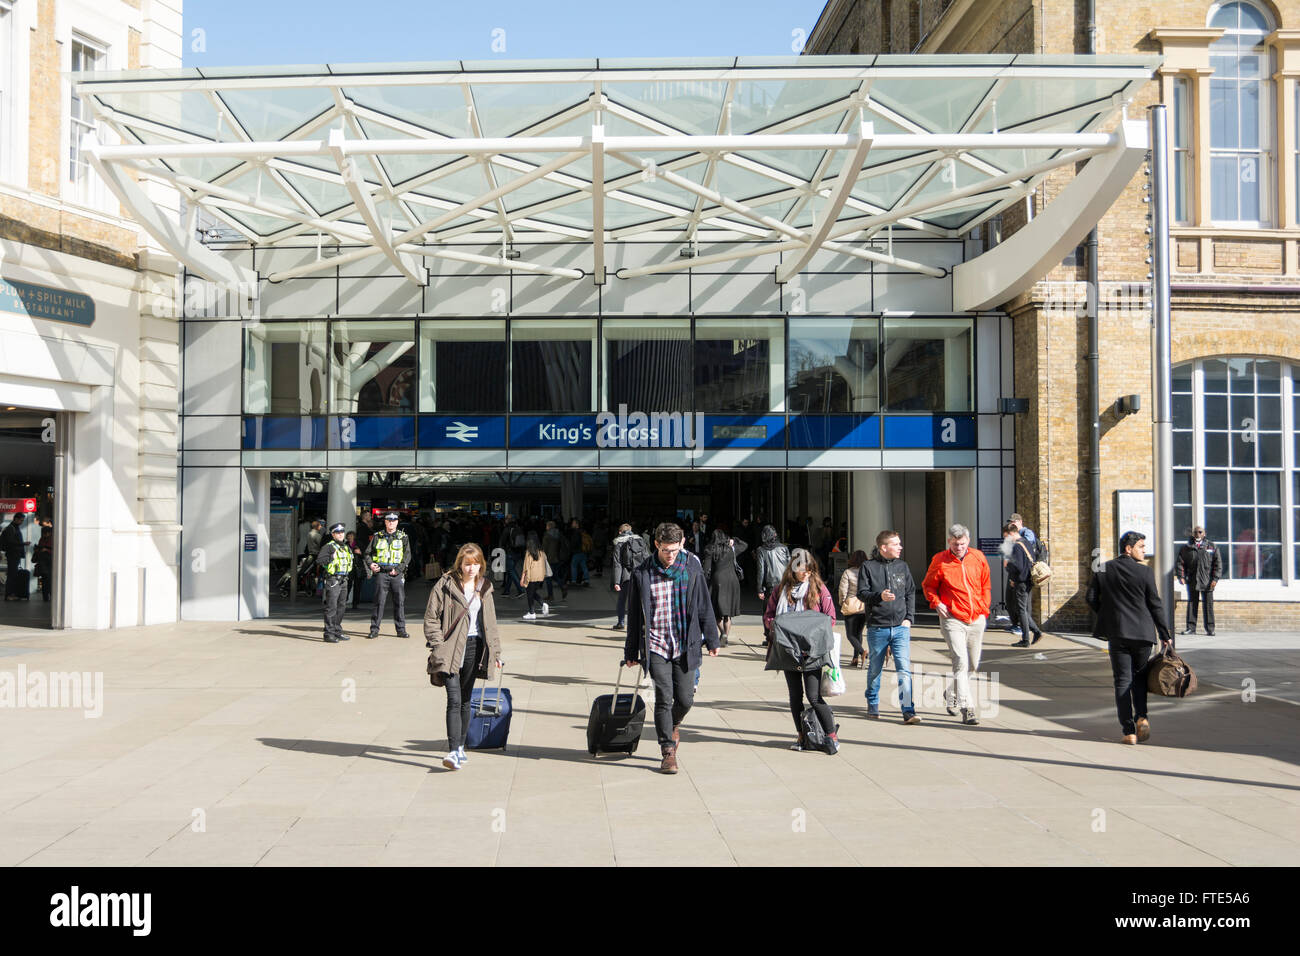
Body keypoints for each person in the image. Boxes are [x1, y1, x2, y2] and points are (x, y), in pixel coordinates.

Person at [623, 522, 720, 774]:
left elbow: (703, 606)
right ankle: (667, 751)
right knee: (664, 698)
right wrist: (631, 651)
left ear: (683, 543)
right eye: (666, 550)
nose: (670, 555)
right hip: (656, 645)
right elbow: (634, 614)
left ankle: (673, 723)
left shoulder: (692, 568)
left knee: (685, 699)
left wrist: (712, 638)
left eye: (675, 550)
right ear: (656, 544)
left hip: (685, 645)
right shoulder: (643, 573)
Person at [1086, 530, 1174, 745]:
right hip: (1143, 633)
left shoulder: (1104, 569)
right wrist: (1165, 634)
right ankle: (1142, 717)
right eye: (1141, 547)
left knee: (1122, 681)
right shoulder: (1145, 573)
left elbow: (1090, 598)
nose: (1145, 551)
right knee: (1140, 678)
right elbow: (1155, 605)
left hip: (1118, 633)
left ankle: (1128, 731)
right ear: (1128, 548)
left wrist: (1108, 614)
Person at [424, 543, 503, 771]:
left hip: (474, 647)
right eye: (468, 564)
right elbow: (431, 618)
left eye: (476, 564)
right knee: (454, 699)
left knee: (466, 699)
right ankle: (453, 749)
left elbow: (491, 623)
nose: (472, 568)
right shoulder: (445, 585)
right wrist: (439, 646)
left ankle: (460, 749)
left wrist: (495, 652)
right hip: (449, 649)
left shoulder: (485, 587)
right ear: (460, 563)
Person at [763, 548, 839, 753]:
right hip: (789, 651)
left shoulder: (819, 589)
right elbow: (769, 616)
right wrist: (776, 627)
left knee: (814, 697)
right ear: (793, 569)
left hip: (812, 652)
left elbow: (830, 618)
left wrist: (809, 631)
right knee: (795, 696)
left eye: (809, 570)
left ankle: (831, 734)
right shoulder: (781, 590)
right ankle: (801, 734)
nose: (806, 574)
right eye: (801, 570)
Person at [921, 523, 991, 726]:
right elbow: (928, 586)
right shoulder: (940, 560)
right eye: (955, 544)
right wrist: (936, 603)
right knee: (960, 660)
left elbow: (985, 584)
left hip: (976, 617)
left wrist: (984, 607)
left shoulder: (978, 557)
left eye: (962, 543)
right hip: (952, 617)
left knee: (973, 665)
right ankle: (967, 707)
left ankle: (950, 692)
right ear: (949, 542)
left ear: (967, 541)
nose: (958, 547)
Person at [858, 531, 920, 724]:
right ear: (883, 547)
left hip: (900, 627)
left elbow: (910, 592)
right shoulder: (868, 567)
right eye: (896, 544)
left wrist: (909, 618)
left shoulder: (902, 566)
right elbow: (861, 593)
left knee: (904, 669)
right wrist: (879, 596)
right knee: (875, 669)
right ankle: (873, 702)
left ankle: (908, 710)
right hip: (878, 627)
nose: (900, 547)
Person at [365, 512, 411, 639]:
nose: (391, 522)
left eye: (394, 520)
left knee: (399, 602)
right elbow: (367, 553)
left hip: (396, 574)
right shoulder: (377, 536)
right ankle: (374, 630)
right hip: (382, 574)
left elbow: (407, 556)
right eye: (389, 520)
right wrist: (371, 565)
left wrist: (398, 569)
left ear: (397, 522)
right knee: (379, 602)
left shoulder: (403, 537)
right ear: (385, 521)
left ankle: (401, 630)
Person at [701, 528, 748, 647]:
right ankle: (725, 636)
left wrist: (704, 583)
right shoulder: (731, 549)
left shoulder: (709, 549)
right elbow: (745, 545)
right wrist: (734, 540)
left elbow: (706, 570)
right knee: (728, 613)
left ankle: (722, 633)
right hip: (732, 581)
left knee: (716, 611)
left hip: (718, 581)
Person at [1002, 522, 1044, 647]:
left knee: (1021, 610)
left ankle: (1026, 638)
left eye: (1006, 537)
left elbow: (1018, 566)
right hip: (1028, 580)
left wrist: (1007, 566)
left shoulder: (1016, 546)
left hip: (1021, 582)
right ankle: (1036, 632)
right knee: (1022, 609)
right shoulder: (1026, 542)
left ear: (1011, 533)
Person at [1177, 525, 1220, 636]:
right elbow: (1180, 563)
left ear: (1204, 534)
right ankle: (1191, 628)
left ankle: (1210, 629)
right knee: (1192, 604)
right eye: (1196, 532)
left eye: (1200, 532)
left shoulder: (1211, 546)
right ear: (1193, 534)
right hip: (1192, 579)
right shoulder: (1187, 547)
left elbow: (1217, 564)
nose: (1198, 534)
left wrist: (1215, 579)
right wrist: (1181, 576)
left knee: (1208, 605)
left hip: (1207, 580)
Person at [314, 522, 353, 643]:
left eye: (342, 532)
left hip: (343, 580)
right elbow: (320, 560)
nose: (341, 534)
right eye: (338, 532)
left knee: (341, 607)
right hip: (333, 580)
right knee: (332, 607)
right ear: (333, 534)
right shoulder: (329, 546)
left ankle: (337, 630)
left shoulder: (345, 546)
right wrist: (331, 557)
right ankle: (329, 633)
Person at [755, 524, 791, 646]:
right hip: (785, 583)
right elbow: (789, 565)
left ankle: (769, 636)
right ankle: (783, 636)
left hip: (770, 586)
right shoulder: (783, 548)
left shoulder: (761, 550)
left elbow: (761, 571)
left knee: (768, 612)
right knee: (783, 610)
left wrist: (759, 588)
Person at [610, 522, 646, 629]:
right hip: (639, 574)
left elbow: (617, 564)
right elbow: (646, 557)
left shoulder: (619, 543)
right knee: (638, 600)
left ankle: (621, 622)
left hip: (626, 576)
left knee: (622, 600)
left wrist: (616, 581)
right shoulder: (640, 540)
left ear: (620, 532)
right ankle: (639, 623)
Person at [837, 549, 869, 668]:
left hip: (851, 605)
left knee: (850, 634)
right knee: (859, 633)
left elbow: (843, 589)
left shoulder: (848, 572)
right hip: (864, 606)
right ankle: (855, 658)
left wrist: (842, 602)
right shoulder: (867, 572)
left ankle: (862, 652)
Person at [520, 532, 550, 621]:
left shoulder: (529, 553)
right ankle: (541, 605)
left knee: (530, 594)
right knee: (532, 593)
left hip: (531, 576)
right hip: (540, 577)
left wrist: (522, 578)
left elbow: (526, 567)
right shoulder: (542, 552)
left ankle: (532, 612)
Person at [542, 520, 569, 599]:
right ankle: (562, 586)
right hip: (557, 558)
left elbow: (545, 549)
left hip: (549, 559)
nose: (545, 527)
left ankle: (551, 595)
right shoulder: (559, 534)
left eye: (546, 526)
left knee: (548, 578)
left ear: (549, 526)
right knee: (554, 576)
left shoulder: (547, 535)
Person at [2, 514, 26, 601]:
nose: (21, 522)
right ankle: (8, 595)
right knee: (11, 575)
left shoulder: (15, 528)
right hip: (12, 554)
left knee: (13, 574)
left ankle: (11, 594)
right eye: (21, 520)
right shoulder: (11, 528)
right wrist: (23, 544)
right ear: (16, 519)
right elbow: (10, 542)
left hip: (15, 554)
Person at [567, 518, 589, 586]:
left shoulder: (576, 532)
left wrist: (570, 548)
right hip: (583, 551)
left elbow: (574, 543)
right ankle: (586, 580)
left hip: (577, 552)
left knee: (573, 566)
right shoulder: (582, 531)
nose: (572, 524)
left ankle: (573, 580)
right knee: (584, 566)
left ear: (577, 524)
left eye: (573, 523)